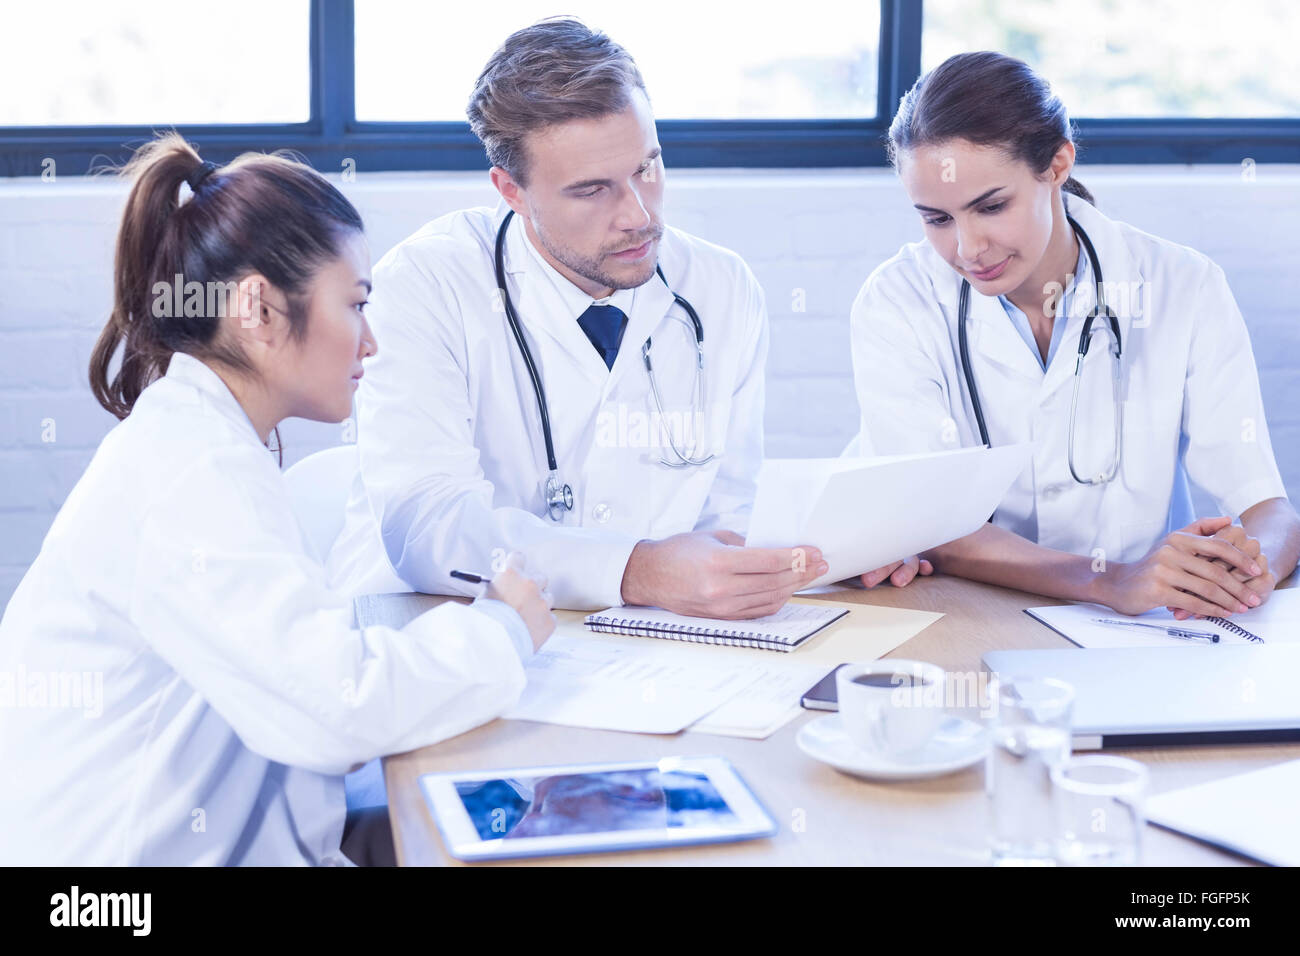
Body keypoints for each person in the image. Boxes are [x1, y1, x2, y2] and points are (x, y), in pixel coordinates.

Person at [0, 134, 554, 866]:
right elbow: (333, 707)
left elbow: (302, 691)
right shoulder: (191, 472)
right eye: (355, 305)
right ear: (258, 309)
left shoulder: (207, 440)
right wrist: (505, 634)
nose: (371, 343)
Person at [326, 17, 826, 618]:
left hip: (643, 645)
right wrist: (636, 569)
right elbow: (428, 526)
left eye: (646, 167)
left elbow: (730, 511)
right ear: (511, 190)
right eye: (591, 190)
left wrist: (817, 558)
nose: (639, 216)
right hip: (431, 636)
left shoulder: (722, 288)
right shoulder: (426, 285)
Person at [850, 52, 1299, 618]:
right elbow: (932, 524)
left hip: (1143, 630)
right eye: (936, 218)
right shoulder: (898, 301)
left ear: (1058, 164)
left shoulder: (1183, 285)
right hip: (972, 615)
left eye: (991, 206)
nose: (966, 249)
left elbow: (1270, 510)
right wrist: (1110, 581)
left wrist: (1244, 568)